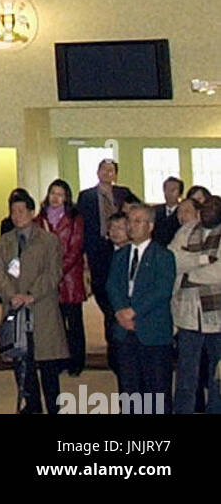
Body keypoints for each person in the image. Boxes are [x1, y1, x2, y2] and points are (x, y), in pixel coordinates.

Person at [0, 190, 67, 413]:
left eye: (21, 211)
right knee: (21, 362)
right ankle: (32, 405)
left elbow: (53, 273)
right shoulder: (5, 241)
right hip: (15, 307)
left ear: (32, 212)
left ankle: (54, 407)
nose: (17, 216)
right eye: (13, 212)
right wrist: (12, 296)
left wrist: (31, 295)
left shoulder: (48, 240)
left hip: (41, 306)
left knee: (47, 364)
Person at [107, 203, 176, 413]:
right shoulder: (121, 255)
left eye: (138, 221)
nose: (132, 226)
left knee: (156, 392)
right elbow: (112, 285)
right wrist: (120, 311)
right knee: (130, 390)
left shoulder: (163, 255)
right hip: (125, 331)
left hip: (153, 332)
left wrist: (133, 310)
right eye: (129, 221)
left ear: (151, 226)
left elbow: (162, 290)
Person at [169, 193, 221, 415]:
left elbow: (218, 273)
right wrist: (202, 260)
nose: (208, 210)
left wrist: (187, 274)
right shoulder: (186, 230)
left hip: (217, 319)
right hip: (188, 316)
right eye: (205, 207)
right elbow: (172, 259)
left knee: (217, 375)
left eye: (213, 207)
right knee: (186, 377)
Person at [76, 159, 139, 329]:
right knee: (101, 288)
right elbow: (81, 224)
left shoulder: (123, 192)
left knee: (120, 287)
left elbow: (138, 209)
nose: (107, 173)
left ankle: (116, 323)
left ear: (116, 175)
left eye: (111, 170)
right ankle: (111, 319)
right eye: (104, 170)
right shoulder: (86, 195)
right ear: (98, 172)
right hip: (97, 247)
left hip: (120, 246)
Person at [36, 179, 86, 375]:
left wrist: (56, 271)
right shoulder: (39, 220)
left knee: (73, 324)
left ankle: (76, 363)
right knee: (53, 325)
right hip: (47, 281)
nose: (55, 198)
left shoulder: (75, 219)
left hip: (70, 279)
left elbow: (75, 250)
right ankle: (57, 362)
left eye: (60, 194)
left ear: (66, 198)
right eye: (52, 193)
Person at [153, 176, 185, 248]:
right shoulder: (155, 210)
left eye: (173, 190)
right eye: (166, 190)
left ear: (180, 193)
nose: (169, 193)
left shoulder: (183, 212)